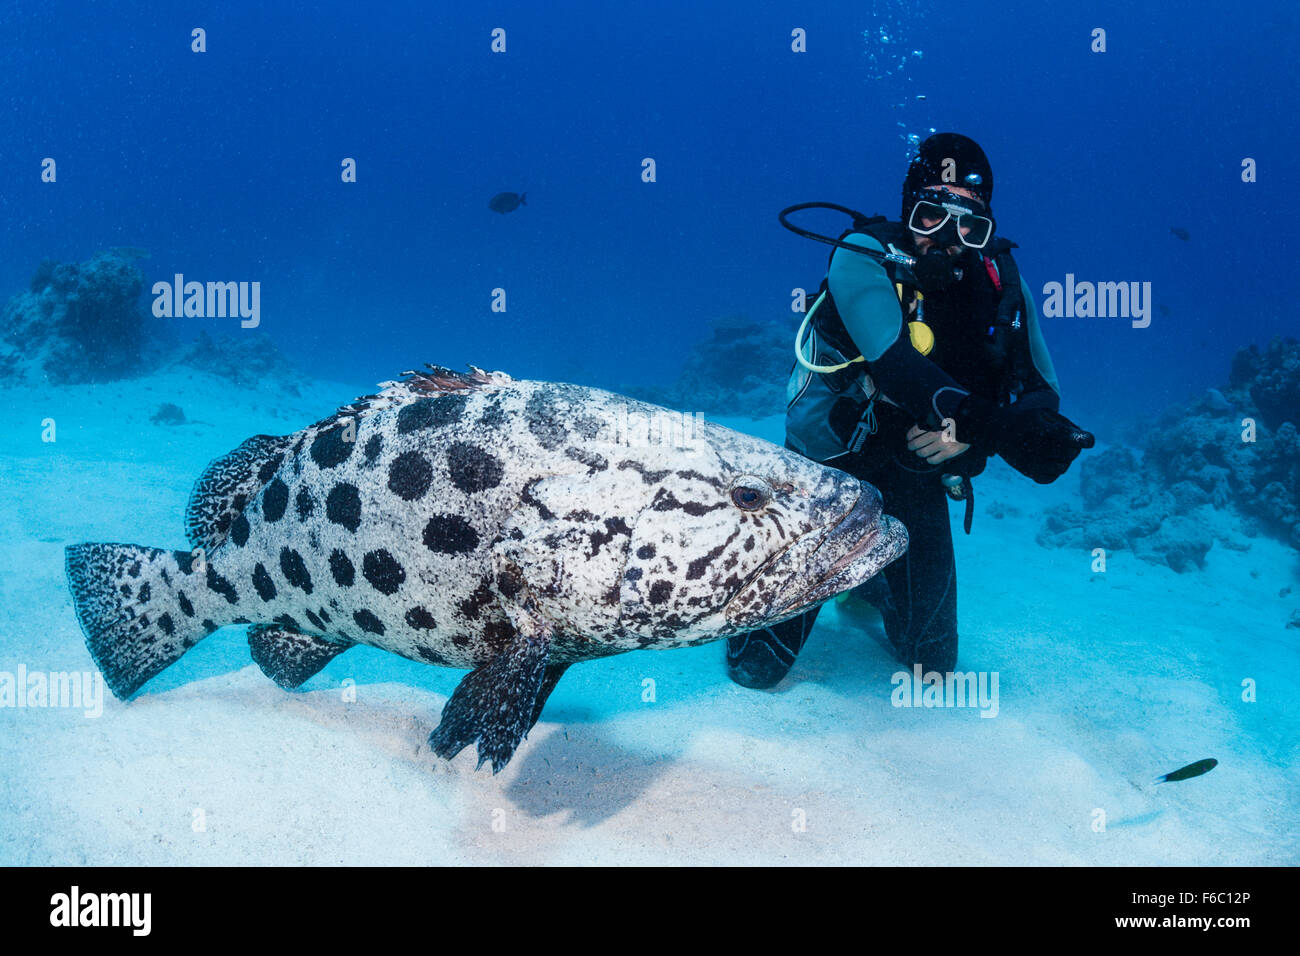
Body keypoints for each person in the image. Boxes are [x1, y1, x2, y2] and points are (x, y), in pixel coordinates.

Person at [726, 132, 1093, 688]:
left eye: (969, 225)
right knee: (756, 671)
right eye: (929, 217)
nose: (947, 240)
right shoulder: (861, 255)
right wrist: (988, 430)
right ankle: (779, 567)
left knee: (933, 665)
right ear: (907, 214)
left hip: (915, 476)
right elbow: (897, 364)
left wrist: (974, 439)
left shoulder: (1001, 282)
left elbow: (1041, 388)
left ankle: (869, 579)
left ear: (987, 227)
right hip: (824, 472)